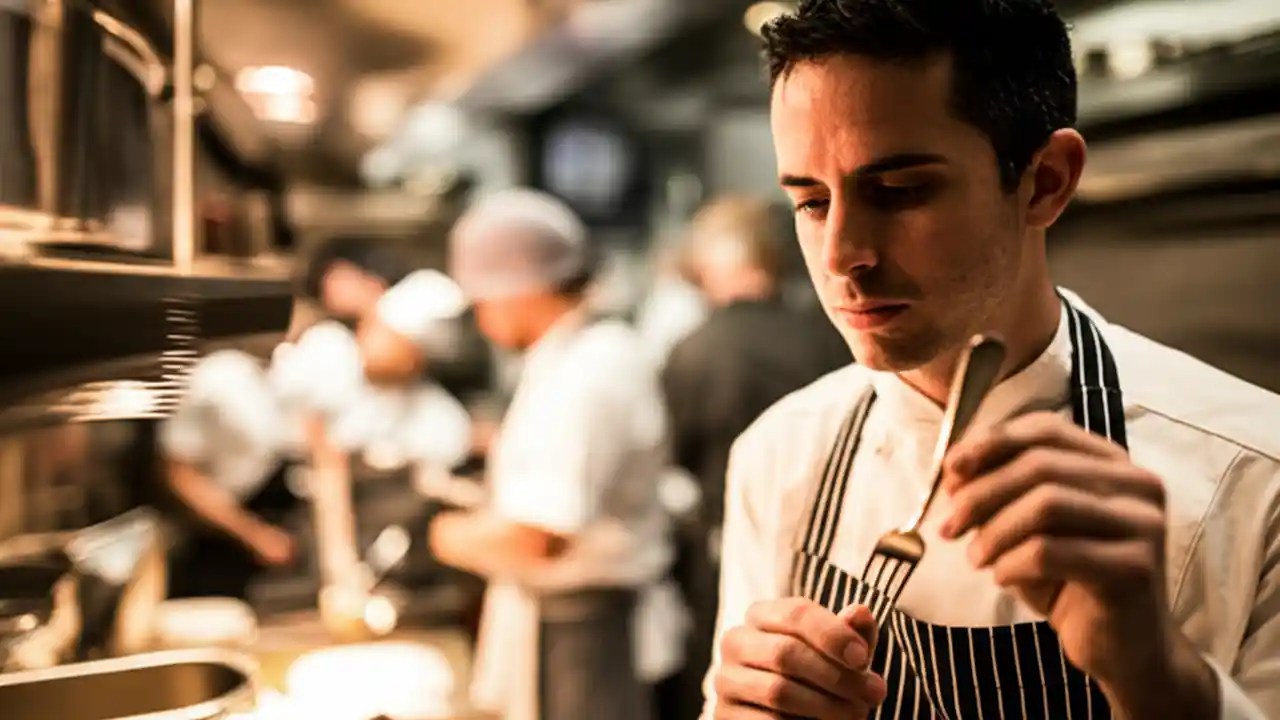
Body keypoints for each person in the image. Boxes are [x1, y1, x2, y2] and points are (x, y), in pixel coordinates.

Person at [704, 2, 1280, 719]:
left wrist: (1155, 674)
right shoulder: (782, 453)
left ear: (1046, 181)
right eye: (812, 202)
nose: (842, 254)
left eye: (899, 191)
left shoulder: (1256, 477)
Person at [425, 189, 682, 720]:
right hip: (576, 620)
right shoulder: (580, 352)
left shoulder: (589, 370)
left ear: (525, 285)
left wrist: (441, 535)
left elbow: (538, 537)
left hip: (587, 629)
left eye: (483, 299)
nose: (480, 316)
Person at [658, 195, 849, 719]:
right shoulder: (830, 335)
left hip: (728, 548)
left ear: (710, 264)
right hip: (839, 551)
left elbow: (675, 458)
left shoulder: (694, 349)